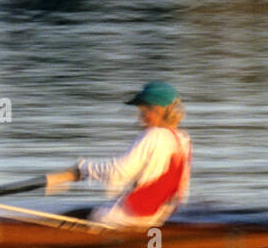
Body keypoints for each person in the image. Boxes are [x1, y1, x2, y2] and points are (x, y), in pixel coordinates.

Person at [46, 81, 192, 228]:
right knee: (81, 213)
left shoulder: (153, 136)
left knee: (75, 217)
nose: (141, 117)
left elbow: (119, 173)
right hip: (159, 216)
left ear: (157, 110)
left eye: (143, 111)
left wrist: (78, 171)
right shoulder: (183, 139)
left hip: (131, 217)